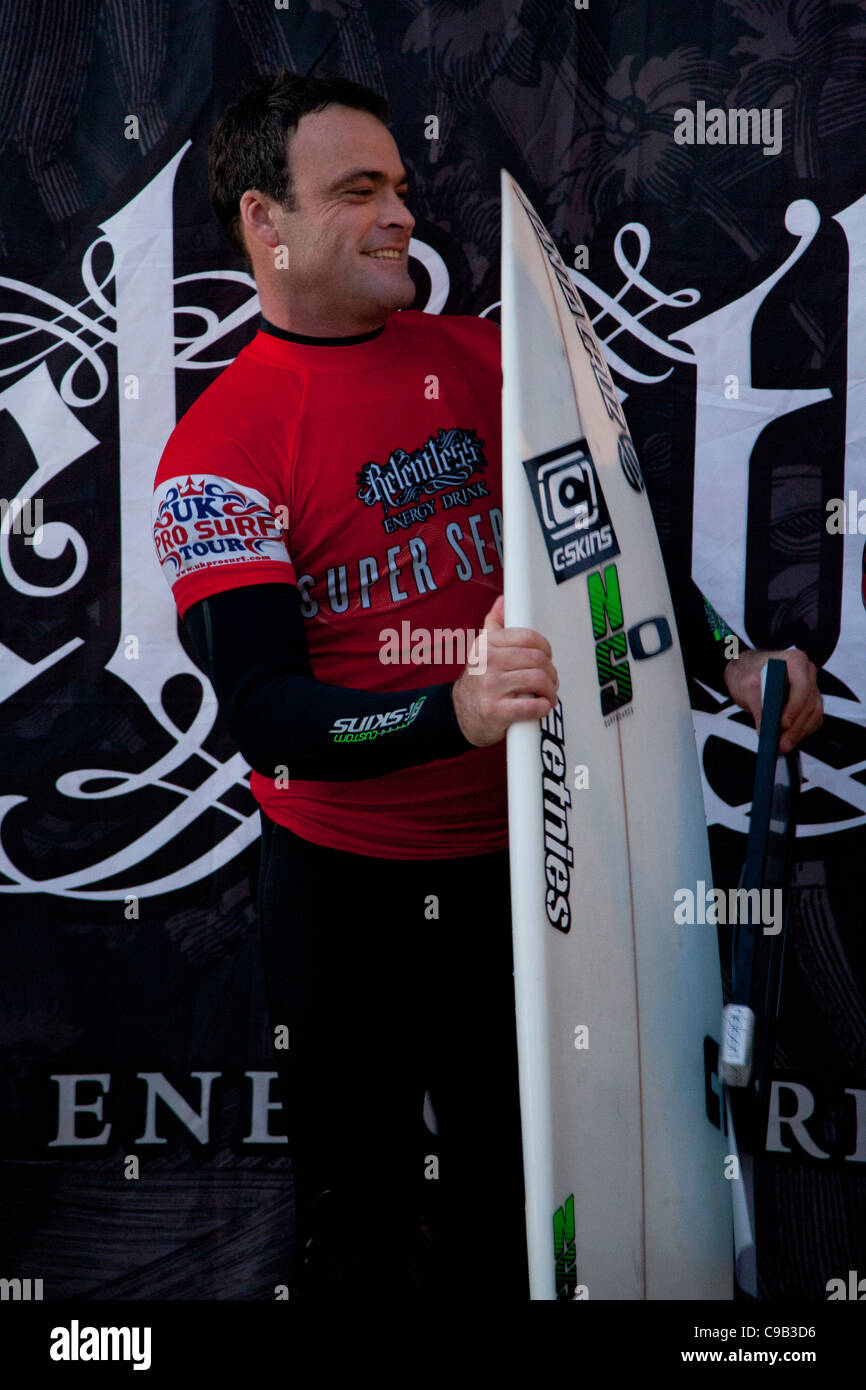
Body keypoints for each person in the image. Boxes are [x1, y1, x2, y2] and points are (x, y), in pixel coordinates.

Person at [152, 70, 823, 1301]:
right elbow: (264, 711)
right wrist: (445, 711)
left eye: (398, 188)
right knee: (355, 1224)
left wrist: (724, 655)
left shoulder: (488, 362)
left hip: (544, 870)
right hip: (343, 893)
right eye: (355, 192)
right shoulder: (217, 450)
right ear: (265, 222)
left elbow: (622, 548)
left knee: (518, 1214)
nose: (399, 214)